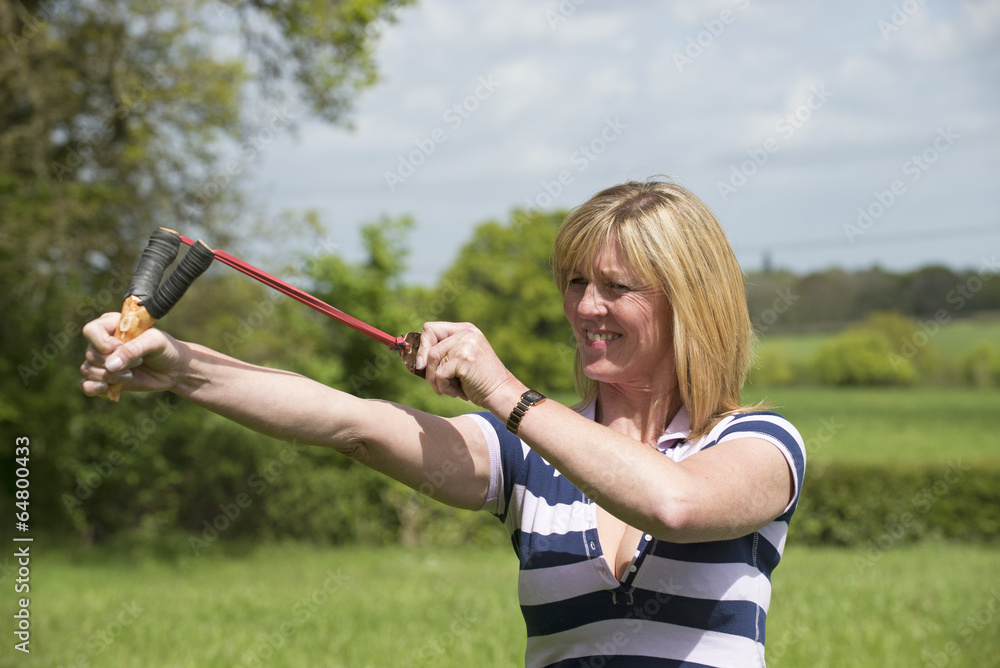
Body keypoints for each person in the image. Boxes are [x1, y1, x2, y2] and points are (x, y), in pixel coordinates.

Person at [79, 178, 805, 667]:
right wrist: (179, 366)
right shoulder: (528, 458)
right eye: (576, 282)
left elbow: (673, 504)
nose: (586, 308)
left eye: (616, 288)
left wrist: (504, 391)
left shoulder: (759, 445)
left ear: (688, 301)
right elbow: (352, 422)